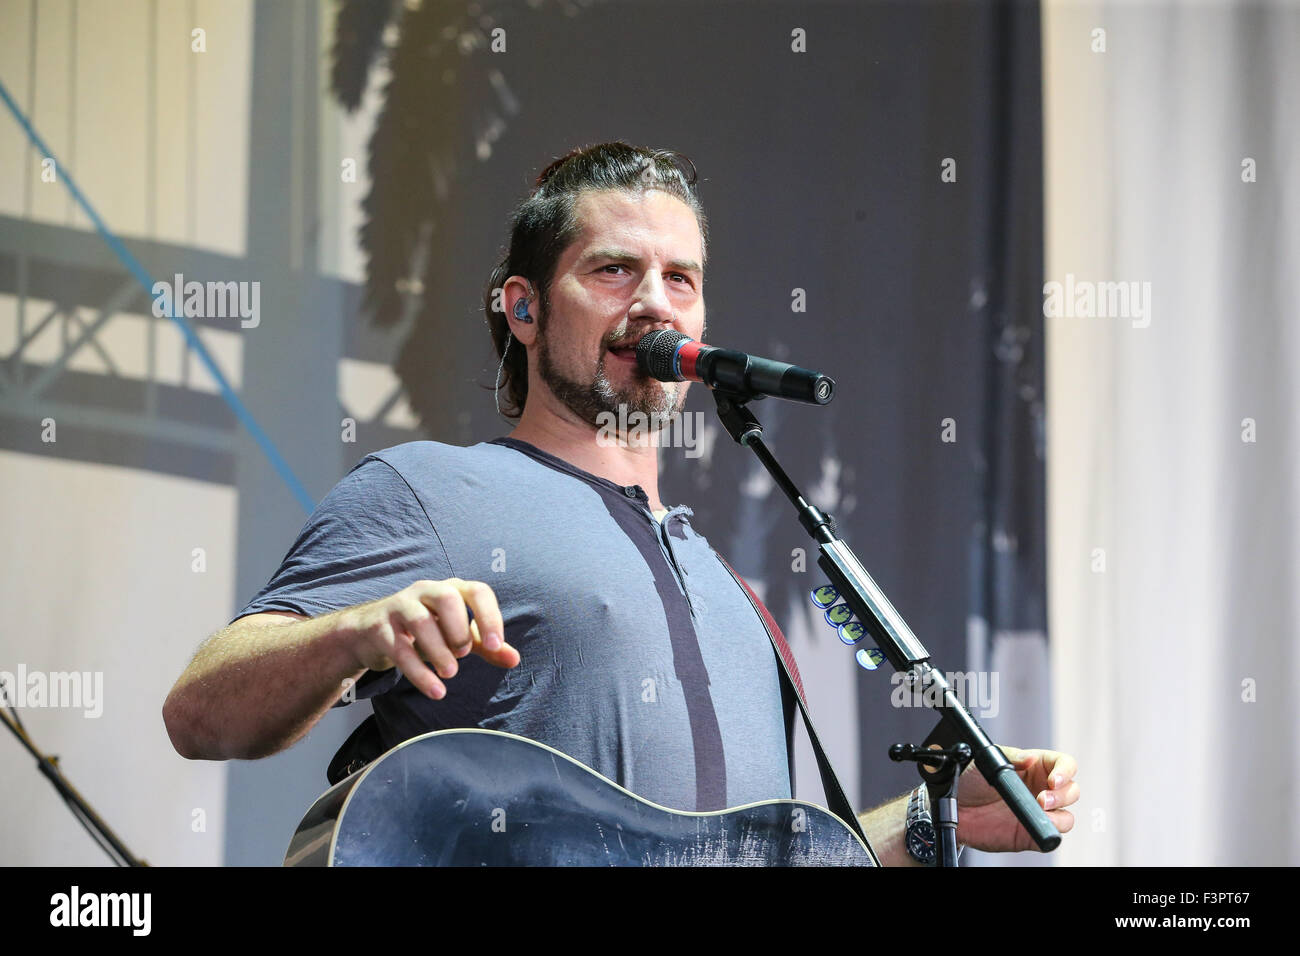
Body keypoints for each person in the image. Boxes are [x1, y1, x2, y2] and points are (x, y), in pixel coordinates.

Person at [162, 142, 1077, 865]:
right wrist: (358, 631)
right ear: (523, 310)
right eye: (612, 271)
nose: (655, 304)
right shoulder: (431, 491)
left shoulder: (728, 593)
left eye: (680, 278)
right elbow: (201, 713)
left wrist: (934, 821)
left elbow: (743, 860)